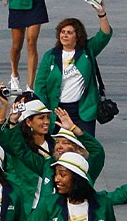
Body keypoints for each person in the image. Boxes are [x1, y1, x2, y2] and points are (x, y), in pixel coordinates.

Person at [33, 9, 113, 137]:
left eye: (69, 33)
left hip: (83, 111)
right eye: (62, 32)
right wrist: (44, 110)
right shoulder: (50, 56)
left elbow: (105, 34)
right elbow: (40, 84)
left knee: (85, 149)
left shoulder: (88, 50)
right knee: (57, 150)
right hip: (57, 111)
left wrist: (101, 13)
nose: (64, 35)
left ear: (77, 36)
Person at [5, 0, 47, 93]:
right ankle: (14, 74)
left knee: (31, 41)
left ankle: (30, 86)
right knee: (17, 45)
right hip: (18, 0)